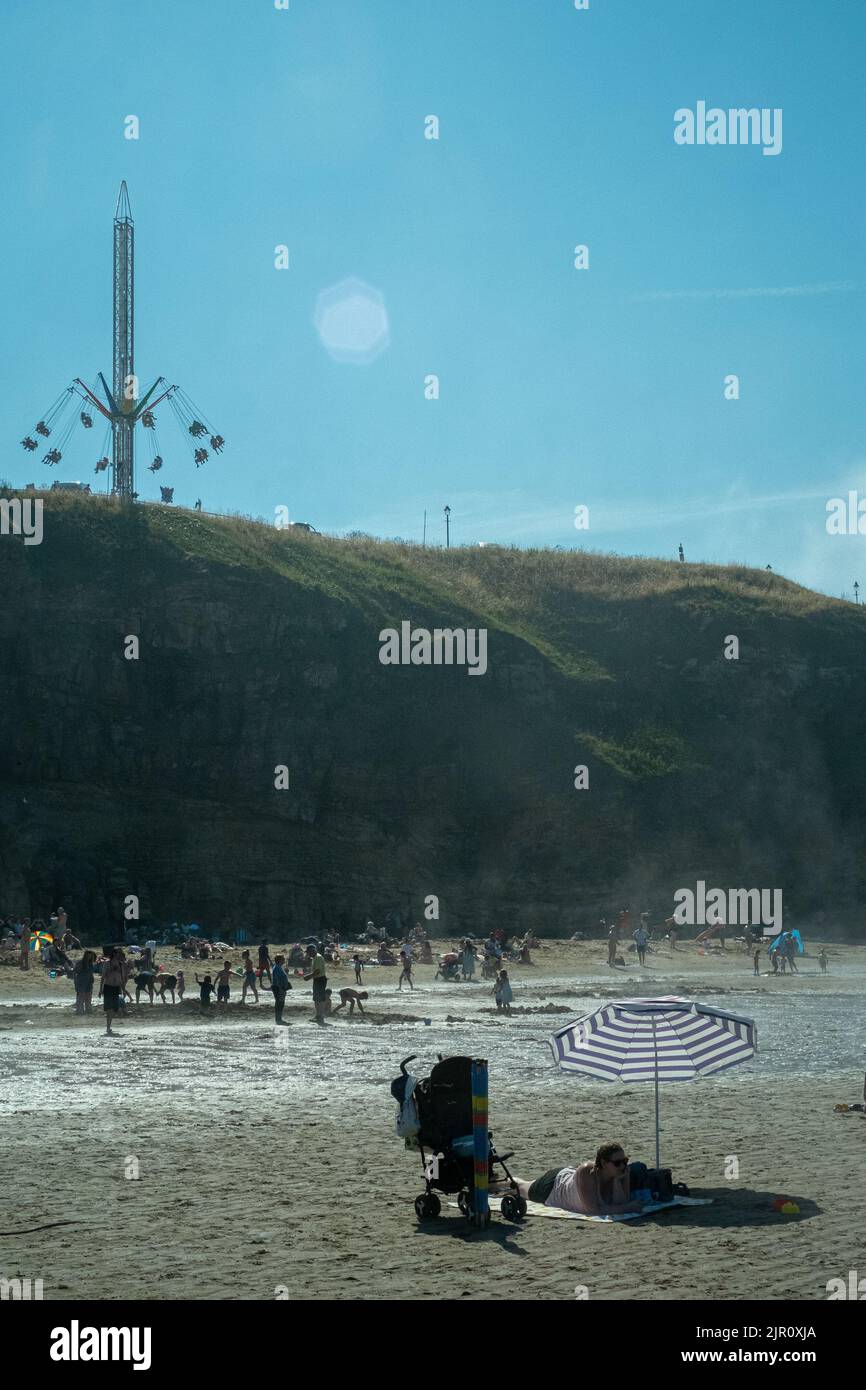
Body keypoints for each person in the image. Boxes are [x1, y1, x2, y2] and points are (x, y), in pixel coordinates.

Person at [514, 1143, 643, 1216]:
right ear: (604, 1163)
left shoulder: (623, 1172)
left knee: (522, 1185)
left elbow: (621, 1202)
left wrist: (616, 1182)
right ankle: (498, 1182)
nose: (622, 1166)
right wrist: (628, 1207)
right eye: (617, 1163)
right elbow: (593, 1210)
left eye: (625, 1161)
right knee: (520, 1187)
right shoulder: (587, 1171)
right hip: (553, 1187)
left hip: (569, 1180)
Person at [100, 948, 126, 1036]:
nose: (119, 955)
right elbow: (103, 977)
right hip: (108, 987)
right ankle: (108, 1026)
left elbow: (121, 979)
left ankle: (109, 1024)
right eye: (118, 954)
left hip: (116, 988)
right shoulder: (107, 963)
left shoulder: (121, 964)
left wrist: (123, 990)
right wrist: (100, 990)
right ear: (114, 954)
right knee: (109, 1008)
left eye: (120, 954)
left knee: (115, 1008)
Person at [304, 945, 328, 1024]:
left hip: (320, 979)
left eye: (308, 952)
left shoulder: (317, 958)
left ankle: (320, 1016)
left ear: (312, 951)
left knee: (319, 999)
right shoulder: (315, 958)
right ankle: (318, 1015)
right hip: (319, 979)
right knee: (317, 998)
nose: (308, 954)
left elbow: (317, 971)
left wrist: (308, 977)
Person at [271, 954, 292, 1024]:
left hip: (280, 988)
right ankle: (278, 1019)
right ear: (279, 960)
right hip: (278, 988)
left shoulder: (278, 967)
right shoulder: (277, 967)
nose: (284, 960)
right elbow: (276, 979)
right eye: (283, 959)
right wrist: (280, 988)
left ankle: (279, 1018)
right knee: (279, 1003)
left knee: (280, 1003)